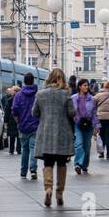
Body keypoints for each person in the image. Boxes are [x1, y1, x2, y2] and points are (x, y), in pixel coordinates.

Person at [31, 68, 76, 207]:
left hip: (46, 134)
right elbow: (72, 113)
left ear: (49, 78)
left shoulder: (40, 94)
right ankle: (59, 193)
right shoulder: (66, 94)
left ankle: (48, 188)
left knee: (48, 163)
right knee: (62, 164)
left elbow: (35, 113)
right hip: (63, 134)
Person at [11, 73, 41, 181]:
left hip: (23, 126)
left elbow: (14, 111)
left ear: (24, 81)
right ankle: (33, 170)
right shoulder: (38, 94)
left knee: (25, 149)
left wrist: (18, 122)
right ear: (33, 81)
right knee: (33, 148)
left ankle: (23, 171)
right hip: (35, 125)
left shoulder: (18, 95)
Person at [71, 78, 100, 176]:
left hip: (88, 125)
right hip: (78, 124)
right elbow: (70, 112)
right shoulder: (73, 98)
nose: (87, 87)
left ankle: (84, 165)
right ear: (79, 86)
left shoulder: (92, 99)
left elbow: (95, 113)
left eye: (87, 85)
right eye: (84, 85)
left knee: (87, 147)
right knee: (78, 144)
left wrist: (96, 126)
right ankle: (77, 164)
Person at [2, 85, 20, 154]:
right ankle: (19, 149)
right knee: (18, 135)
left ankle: (11, 150)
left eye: (12, 91)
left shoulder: (10, 100)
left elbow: (7, 111)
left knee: (12, 136)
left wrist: (5, 120)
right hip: (19, 119)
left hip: (11, 120)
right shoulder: (21, 99)